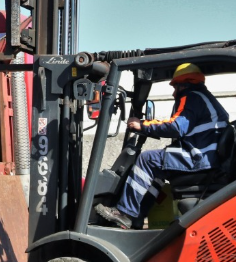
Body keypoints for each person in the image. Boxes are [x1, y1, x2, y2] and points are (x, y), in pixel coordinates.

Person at [96, 63, 229, 229]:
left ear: (183, 84)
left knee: (147, 159)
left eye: (175, 87)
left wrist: (142, 125)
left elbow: (176, 127)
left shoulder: (191, 97)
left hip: (198, 157)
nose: (173, 93)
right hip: (205, 155)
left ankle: (125, 213)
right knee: (157, 169)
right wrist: (147, 126)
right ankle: (137, 217)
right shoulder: (203, 98)